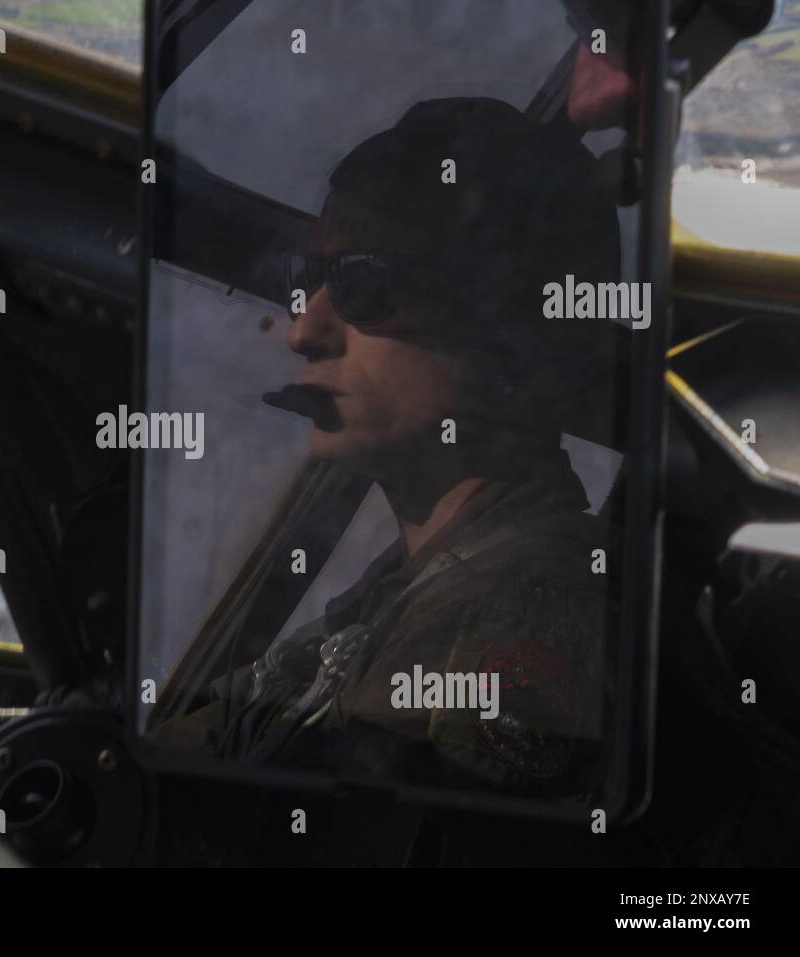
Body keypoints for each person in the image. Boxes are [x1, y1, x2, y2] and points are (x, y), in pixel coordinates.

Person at [149, 97, 625, 798]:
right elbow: (221, 732)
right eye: (306, 280)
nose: (302, 332)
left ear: (510, 329)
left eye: (360, 281)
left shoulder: (517, 611)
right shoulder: (410, 583)